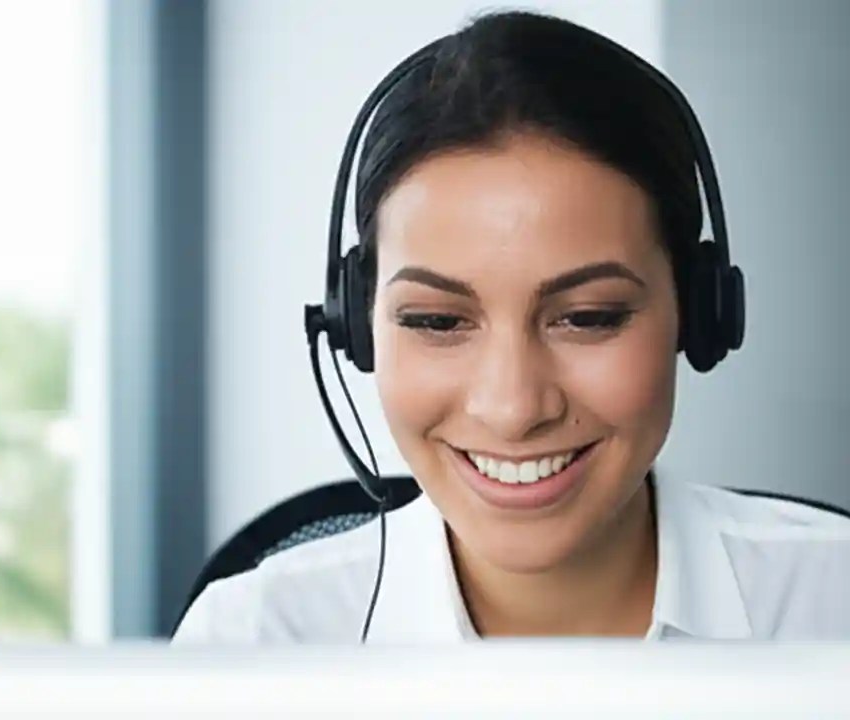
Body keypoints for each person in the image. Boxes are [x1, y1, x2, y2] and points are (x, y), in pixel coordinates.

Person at [172, 10, 850, 643]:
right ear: (358, 325)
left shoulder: (830, 604)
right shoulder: (255, 642)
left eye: (587, 318)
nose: (513, 407)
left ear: (699, 314)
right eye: (438, 321)